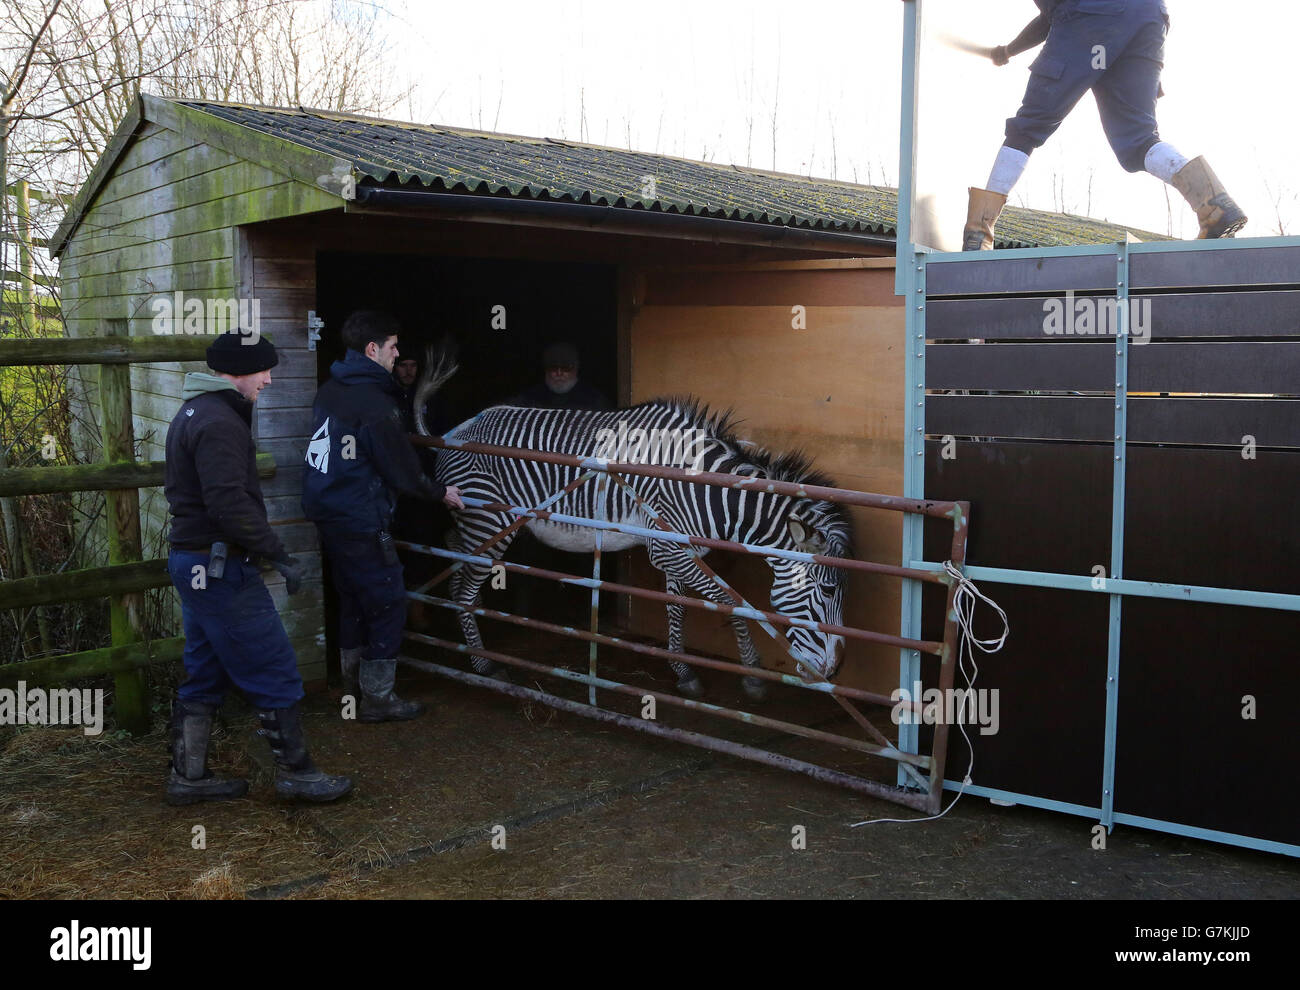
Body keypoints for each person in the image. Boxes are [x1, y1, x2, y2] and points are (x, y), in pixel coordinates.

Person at [164, 330, 352, 805]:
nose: (268, 380)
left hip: (194, 564)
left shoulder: (193, 411)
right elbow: (228, 504)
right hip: (220, 565)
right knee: (275, 668)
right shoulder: (220, 422)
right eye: (264, 370)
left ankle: (188, 777)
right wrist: (278, 551)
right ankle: (297, 774)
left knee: (204, 671)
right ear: (239, 371)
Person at [963, 0, 1246, 250]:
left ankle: (979, 231)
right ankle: (1214, 205)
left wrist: (1007, 51)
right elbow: (1053, 16)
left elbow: (1061, 12)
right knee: (1139, 140)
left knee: (1026, 129)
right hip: (1146, 15)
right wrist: (1009, 50)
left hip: (1091, 15)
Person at [301, 310, 464, 722]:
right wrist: (439, 491)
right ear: (373, 350)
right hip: (358, 514)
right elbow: (400, 467)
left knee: (353, 596)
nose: (397, 355)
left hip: (328, 510)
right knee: (389, 599)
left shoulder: (332, 389)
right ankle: (378, 697)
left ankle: (351, 685)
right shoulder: (374, 403)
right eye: (393, 347)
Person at [508, 341, 611, 411]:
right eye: (553, 367)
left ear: (576, 369)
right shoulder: (528, 400)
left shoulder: (594, 400)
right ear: (545, 370)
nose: (559, 373)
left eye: (566, 368)